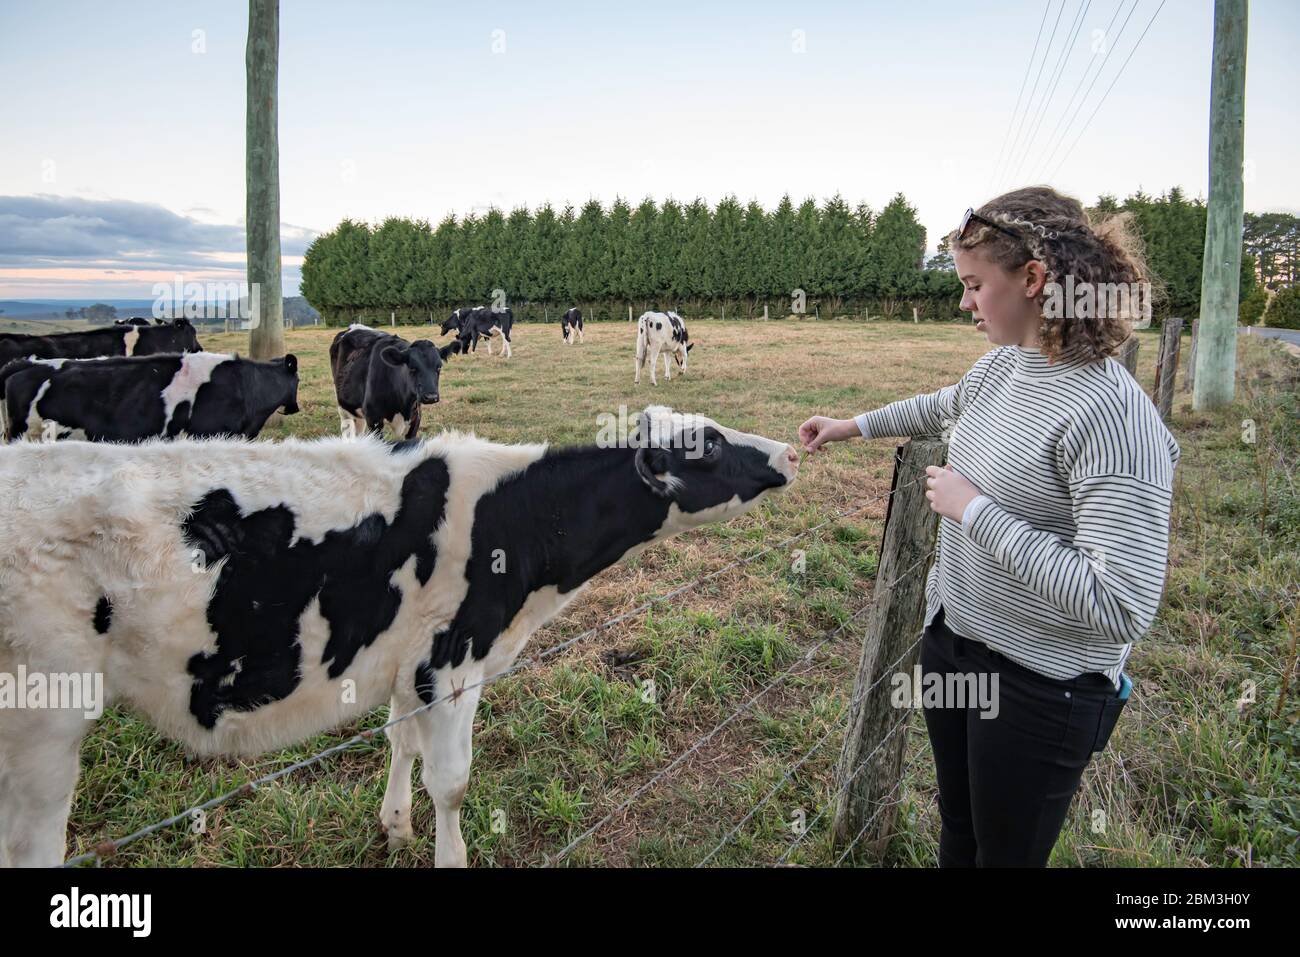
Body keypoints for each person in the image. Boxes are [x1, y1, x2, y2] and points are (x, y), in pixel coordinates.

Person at [798, 186, 1180, 867]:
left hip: (1041, 687)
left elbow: (1122, 603)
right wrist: (850, 426)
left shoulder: (1115, 418)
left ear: (1034, 279)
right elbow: (941, 405)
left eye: (975, 285)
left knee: (1004, 855)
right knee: (960, 829)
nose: (965, 303)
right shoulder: (1005, 366)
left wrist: (974, 510)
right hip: (957, 646)